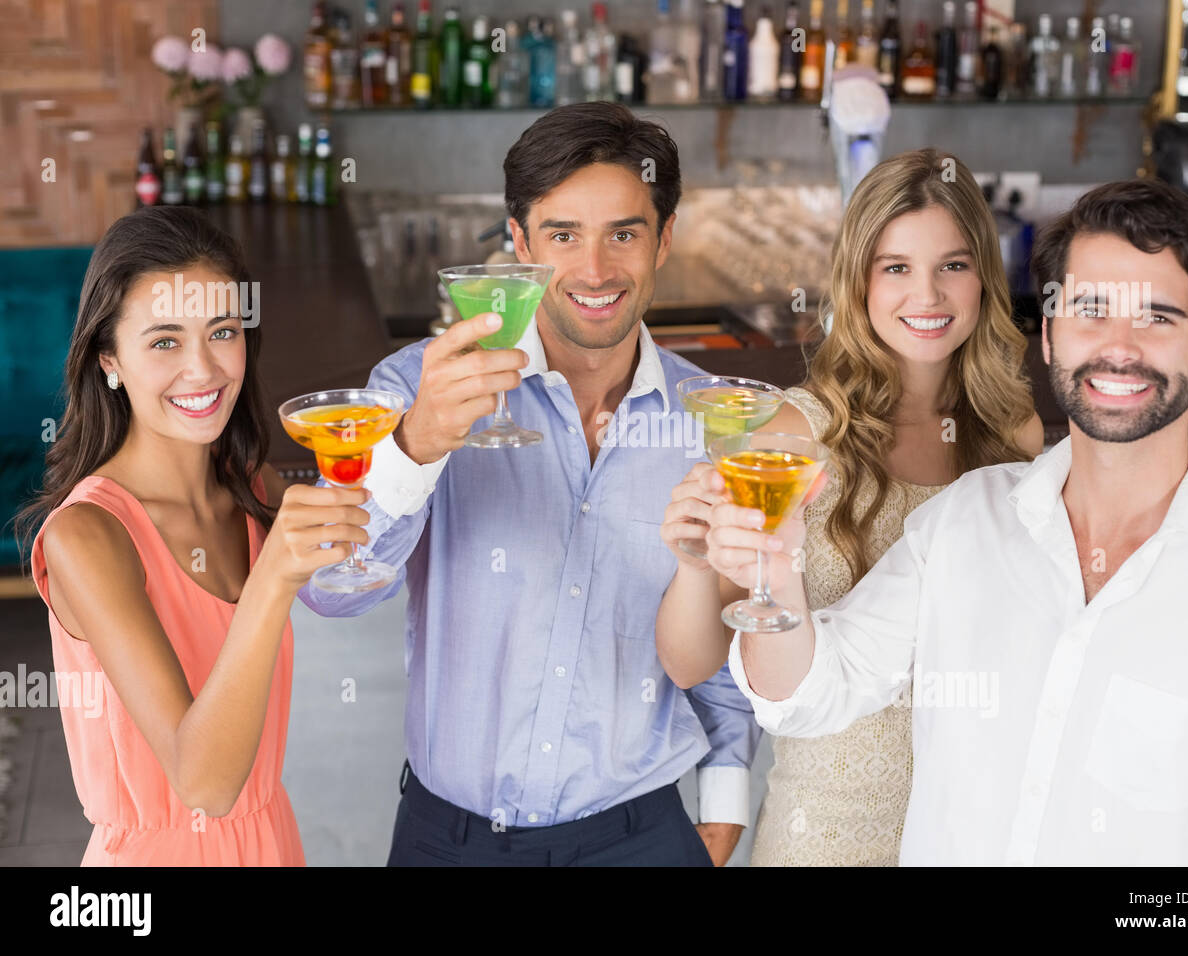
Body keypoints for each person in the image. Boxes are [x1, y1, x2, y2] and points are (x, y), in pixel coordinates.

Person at [706, 178, 1188, 865]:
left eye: (1158, 317)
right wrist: (776, 567)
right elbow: (806, 695)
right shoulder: (964, 520)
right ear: (1049, 335)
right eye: (1091, 309)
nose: (1118, 346)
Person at [299, 102, 760, 867]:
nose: (596, 270)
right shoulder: (418, 387)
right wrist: (414, 447)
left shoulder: (710, 419)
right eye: (563, 234)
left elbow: (728, 623)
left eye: (625, 233)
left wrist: (725, 797)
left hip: (638, 834)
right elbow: (330, 589)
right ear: (518, 243)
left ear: (665, 239)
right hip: (450, 840)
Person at [655, 149, 1042, 865]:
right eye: (895, 267)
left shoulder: (1014, 437)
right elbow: (688, 664)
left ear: (984, 279)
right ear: (857, 280)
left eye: (952, 266)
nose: (926, 295)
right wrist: (692, 566)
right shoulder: (790, 438)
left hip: (977, 832)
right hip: (825, 835)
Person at [19, 206, 369, 865]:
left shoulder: (251, 488)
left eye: (222, 331)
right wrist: (272, 582)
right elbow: (204, 784)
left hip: (270, 843)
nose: (204, 369)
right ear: (109, 360)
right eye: (164, 341)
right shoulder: (87, 536)